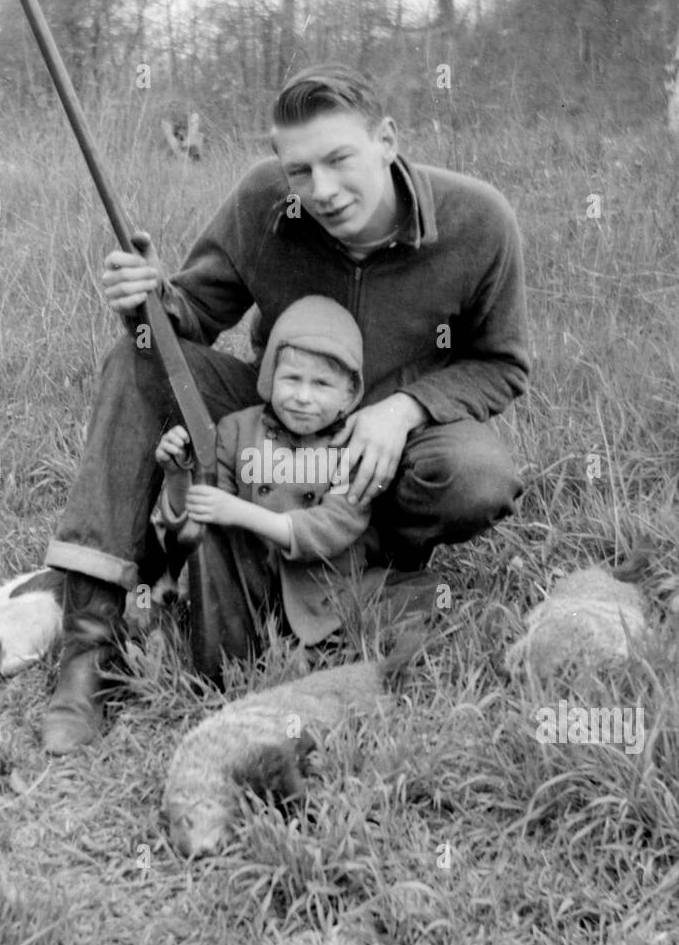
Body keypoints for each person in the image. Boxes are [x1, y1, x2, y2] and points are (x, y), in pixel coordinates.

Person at [40, 63, 530, 755]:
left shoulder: (479, 221)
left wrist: (408, 409)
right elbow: (190, 321)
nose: (321, 191)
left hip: (385, 446)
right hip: (275, 420)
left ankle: (365, 567)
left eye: (339, 160)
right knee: (136, 361)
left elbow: (502, 363)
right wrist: (150, 296)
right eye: (300, 171)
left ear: (386, 140)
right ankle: (87, 648)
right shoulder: (264, 203)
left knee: (475, 474)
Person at [155, 294, 387, 651]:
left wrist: (242, 512)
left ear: (349, 393)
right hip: (249, 587)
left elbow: (330, 529)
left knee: (408, 603)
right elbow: (198, 526)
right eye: (292, 378)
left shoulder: (354, 447)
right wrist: (177, 476)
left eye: (322, 384)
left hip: (322, 591)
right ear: (269, 377)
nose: (303, 397)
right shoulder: (235, 431)